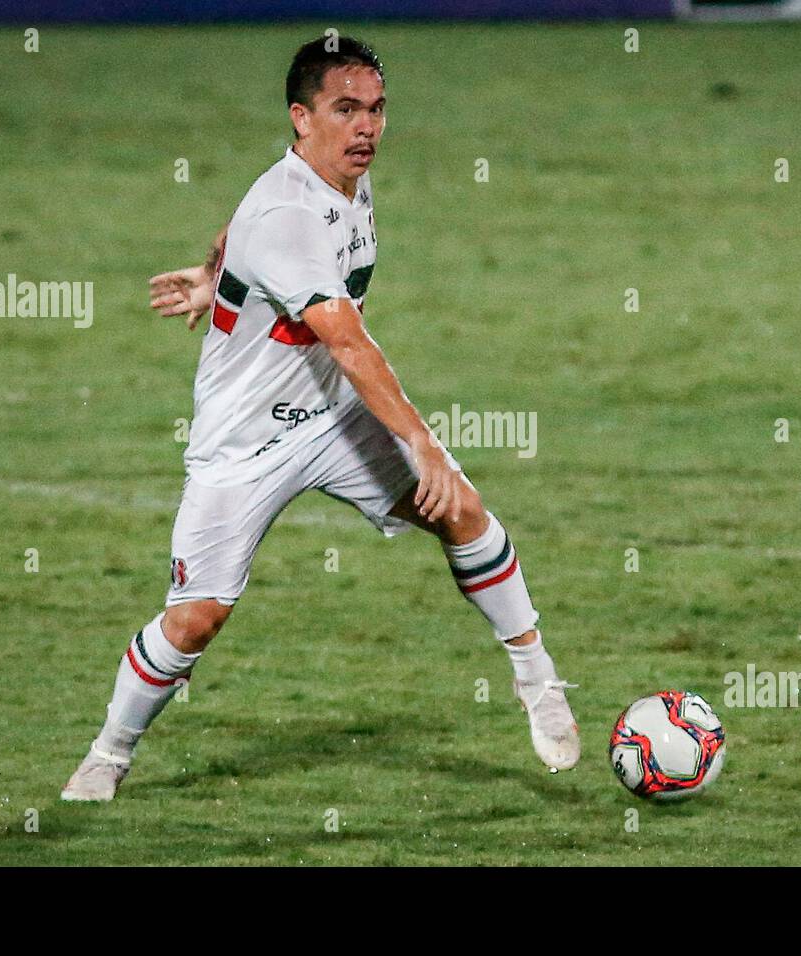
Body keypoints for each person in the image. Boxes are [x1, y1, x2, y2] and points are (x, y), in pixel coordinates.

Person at [61, 36, 579, 802]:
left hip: (332, 420)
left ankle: (539, 682)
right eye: (345, 110)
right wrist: (424, 445)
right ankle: (108, 753)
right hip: (243, 444)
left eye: (375, 110)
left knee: (465, 513)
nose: (365, 128)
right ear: (301, 118)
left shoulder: (337, 182)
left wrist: (214, 278)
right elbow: (346, 339)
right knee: (196, 621)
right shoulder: (287, 213)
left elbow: (241, 234)